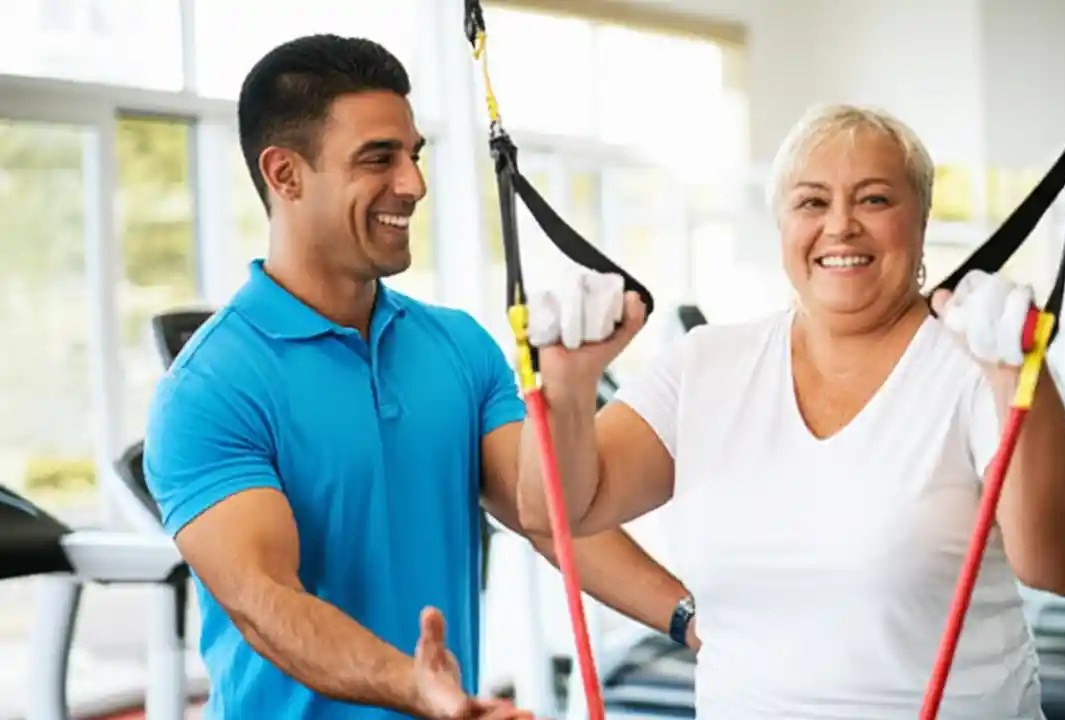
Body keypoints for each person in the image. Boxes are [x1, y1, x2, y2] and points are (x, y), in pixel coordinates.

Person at [144, 34, 692, 720]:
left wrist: (690, 621)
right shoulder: (211, 389)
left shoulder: (457, 346)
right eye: (379, 159)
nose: (413, 184)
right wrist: (413, 685)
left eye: (414, 155)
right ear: (285, 175)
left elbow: (550, 514)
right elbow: (266, 603)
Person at [517, 103, 1065, 719]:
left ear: (922, 219)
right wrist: (566, 386)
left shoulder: (976, 366)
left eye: (875, 200)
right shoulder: (704, 365)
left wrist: (1021, 377)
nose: (841, 226)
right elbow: (556, 512)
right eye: (811, 202)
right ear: (781, 223)